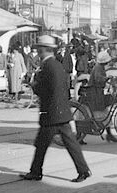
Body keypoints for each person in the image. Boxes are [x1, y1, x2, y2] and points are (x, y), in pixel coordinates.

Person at [19, 35, 92, 183]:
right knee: (68, 144)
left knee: (42, 145)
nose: (38, 52)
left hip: (51, 113)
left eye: (39, 49)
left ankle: (36, 172)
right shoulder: (57, 65)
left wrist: (32, 84)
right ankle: (83, 170)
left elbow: (44, 90)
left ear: (43, 50)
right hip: (60, 112)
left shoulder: (47, 67)